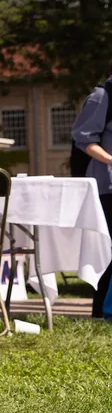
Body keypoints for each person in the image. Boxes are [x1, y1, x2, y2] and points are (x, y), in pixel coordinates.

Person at [71, 74, 112, 317]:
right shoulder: (101, 97)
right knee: (107, 252)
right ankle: (102, 311)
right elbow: (83, 138)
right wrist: (110, 160)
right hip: (107, 187)